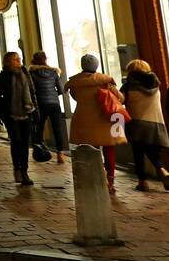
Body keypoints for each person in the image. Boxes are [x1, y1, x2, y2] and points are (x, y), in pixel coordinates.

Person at [65, 53, 126, 193]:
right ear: (96, 66)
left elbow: (76, 98)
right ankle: (110, 182)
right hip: (106, 120)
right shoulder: (105, 81)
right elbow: (120, 99)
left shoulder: (75, 83)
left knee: (90, 153)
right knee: (109, 150)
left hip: (84, 120)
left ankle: (96, 180)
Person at [120, 59, 169, 191]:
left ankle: (144, 182)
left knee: (139, 153)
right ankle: (161, 171)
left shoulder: (128, 86)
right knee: (152, 151)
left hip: (137, 124)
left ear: (131, 71)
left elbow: (120, 100)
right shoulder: (155, 84)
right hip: (157, 125)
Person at [0, 52, 39, 186]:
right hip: (10, 114)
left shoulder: (25, 73)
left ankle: (24, 171)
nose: (19, 60)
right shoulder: (2, 76)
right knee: (16, 140)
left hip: (27, 112)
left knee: (24, 143)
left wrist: (36, 110)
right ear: (8, 61)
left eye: (19, 58)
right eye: (15, 59)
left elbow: (32, 92)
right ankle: (16, 168)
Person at [27, 51, 67, 163]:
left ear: (33, 60)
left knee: (39, 127)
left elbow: (32, 90)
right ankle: (60, 154)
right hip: (54, 104)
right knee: (58, 129)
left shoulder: (32, 73)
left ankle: (40, 152)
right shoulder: (53, 73)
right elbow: (60, 89)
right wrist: (52, 95)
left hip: (40, 104)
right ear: (45, 59)